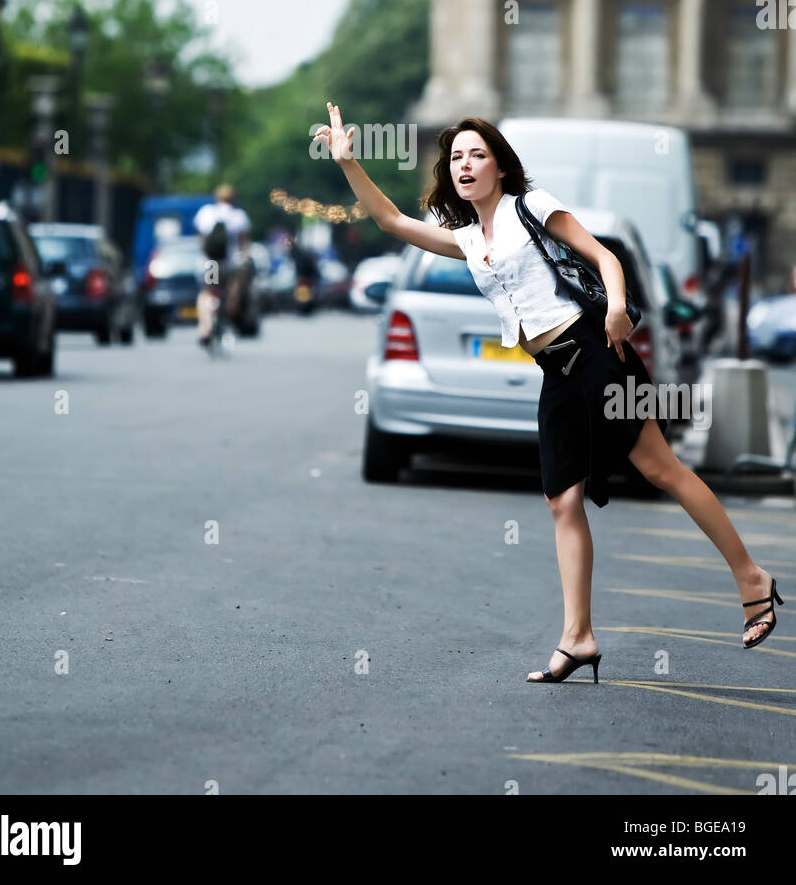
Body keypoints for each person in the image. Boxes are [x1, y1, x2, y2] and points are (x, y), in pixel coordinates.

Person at [313, 102, 784, 682]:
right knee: (562, 500)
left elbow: (604, 256)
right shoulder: (466, 238)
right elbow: (389, 222)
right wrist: (348, 163)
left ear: (500, 168)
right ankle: (578, 637)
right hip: (557, 373)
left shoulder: (531, 207)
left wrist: (615, 306)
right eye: (456, 157)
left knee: (661, 469)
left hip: (596, 354)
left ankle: (751, 577)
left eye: (477, 155)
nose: (464, 165)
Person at [193, 184, 252, 347]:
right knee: (236, 283)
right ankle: (230, 308)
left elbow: (201, 239)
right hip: (230, 263)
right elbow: (244, 243)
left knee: (206, 293)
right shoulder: (239, 216)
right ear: (233, 199)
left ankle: (206, 329)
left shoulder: (206, 213)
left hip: (211, 263)